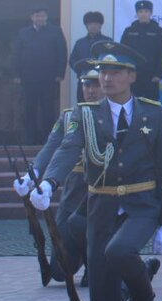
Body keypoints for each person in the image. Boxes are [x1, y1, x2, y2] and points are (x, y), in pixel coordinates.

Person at [29, 41, 162, 301]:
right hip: (101, 208)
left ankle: (143, 298)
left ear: (132, 76)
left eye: (115, 71)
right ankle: (141, 272)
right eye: (103, 72)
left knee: (119, 250)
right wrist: (48, 183)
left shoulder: (153, 114)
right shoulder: (86, 114)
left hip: (141, 205)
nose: (107, 78)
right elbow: (68, 148)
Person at [14, 59, 104, 286]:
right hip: (73, 188)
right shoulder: (68, 116)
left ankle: (118, 268)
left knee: (93, 236)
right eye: (86, 85)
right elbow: (50, 147)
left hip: (101, 188)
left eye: (95, 85)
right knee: (59, 270)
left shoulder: (113, 116)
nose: (90, 90)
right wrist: (31, 174)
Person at [12, 7, 68, 144]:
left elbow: (62, 52)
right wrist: (16, 74)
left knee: (48, 110)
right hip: (28, 79)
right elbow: (16, 54)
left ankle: (48, 140)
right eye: (37, 16)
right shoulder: (23, 33)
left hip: (48, 78)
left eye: (43, 16)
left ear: (46, 17)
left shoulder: (55, 31)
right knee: (28, 109)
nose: (40, 19)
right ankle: (29, 140)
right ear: (32, 17)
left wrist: (60, 73)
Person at [120, 0, 162, 101]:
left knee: (151, 106)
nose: (143, 14)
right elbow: (122, 53)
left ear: (151, 13)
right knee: (132, 105)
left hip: (151, 76)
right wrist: (125, 73)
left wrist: (158, 74)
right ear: (137, 14)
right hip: (133, 75)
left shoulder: (159, 31)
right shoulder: (129, 31)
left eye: (146, 11)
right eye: (140, 12)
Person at [68, 11, 111, 97]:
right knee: (83, 105)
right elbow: (72, 60)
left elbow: (112, 60)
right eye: (90, 24)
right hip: (84, 79)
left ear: (100, 25)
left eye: (96, 24)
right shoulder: (80, 42)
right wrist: (80, 71)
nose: (93, 26)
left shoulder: (107, 42)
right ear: (86, 26)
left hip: (101, 80)